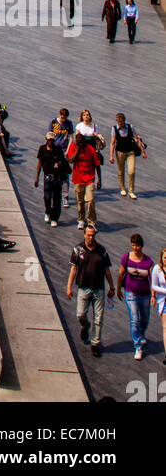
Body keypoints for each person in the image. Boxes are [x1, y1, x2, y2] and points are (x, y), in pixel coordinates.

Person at [67, 224, 114, 359]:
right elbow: (73, 269)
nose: (91, 237)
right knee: (80, 314)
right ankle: (85, 326)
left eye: (93, 235)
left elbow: (107, 270)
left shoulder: (102, 251)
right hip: (84, 287)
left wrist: (111, 287)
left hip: (98, 289)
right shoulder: (78, 249)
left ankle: (95, 344)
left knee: (98, 318)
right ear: (84, 235)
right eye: (89, 235)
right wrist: (69, 287)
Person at [117, 233, 155, 361]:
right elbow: (121, 274)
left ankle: (141, 333)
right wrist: (117, 289)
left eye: (137, 245)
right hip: (130, 292)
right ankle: (137, 346)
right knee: (134, 319)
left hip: (144, 294)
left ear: (142, 246)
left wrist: (153, 295)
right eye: (133, 245)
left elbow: (152, 279)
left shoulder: (148, 262)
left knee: (144, 318)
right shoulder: (126, 258)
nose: (135, 248)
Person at [67, 133, 102, 229]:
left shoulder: (90, 149)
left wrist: (99, 179)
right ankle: (81, 219)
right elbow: (70, 160)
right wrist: (77, 150)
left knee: (90, 200)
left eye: (81, 143)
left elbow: (97, 164)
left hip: (89, 178)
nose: (80, 144)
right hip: (78, 179)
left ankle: (91, 221)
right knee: (80, 201)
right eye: (78, 143)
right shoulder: (74, 147)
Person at [35, 132, 70, 226]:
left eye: (52, 140)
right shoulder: (42, 149)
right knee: (47, 197)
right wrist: (37, 178)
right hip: (47, 176)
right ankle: (48, 211)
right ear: (46, 139)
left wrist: (59, 164)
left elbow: (62, 161)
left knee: (56, 199)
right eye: (49, 140)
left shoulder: (57, 149)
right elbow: (39, 163)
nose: (50, 142)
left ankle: (54, 218)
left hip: (57, 177)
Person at [109, 114, 145, 199]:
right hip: (119, 152)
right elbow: (113, 142)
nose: (120, 124)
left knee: (131, 171)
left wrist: (143, 151)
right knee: (121, 171)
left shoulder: (130, 127)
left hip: (130, 152)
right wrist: (111, 155)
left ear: (124, 121)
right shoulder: (114, 129)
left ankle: (131, 191)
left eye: (121, 122)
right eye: (118, 122)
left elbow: (137, 139)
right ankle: (122, 188)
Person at [152, 248, 166, 364]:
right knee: (165, 329)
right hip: (164, 301)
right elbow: (154, 286)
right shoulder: (157, 269)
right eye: (165, 257)